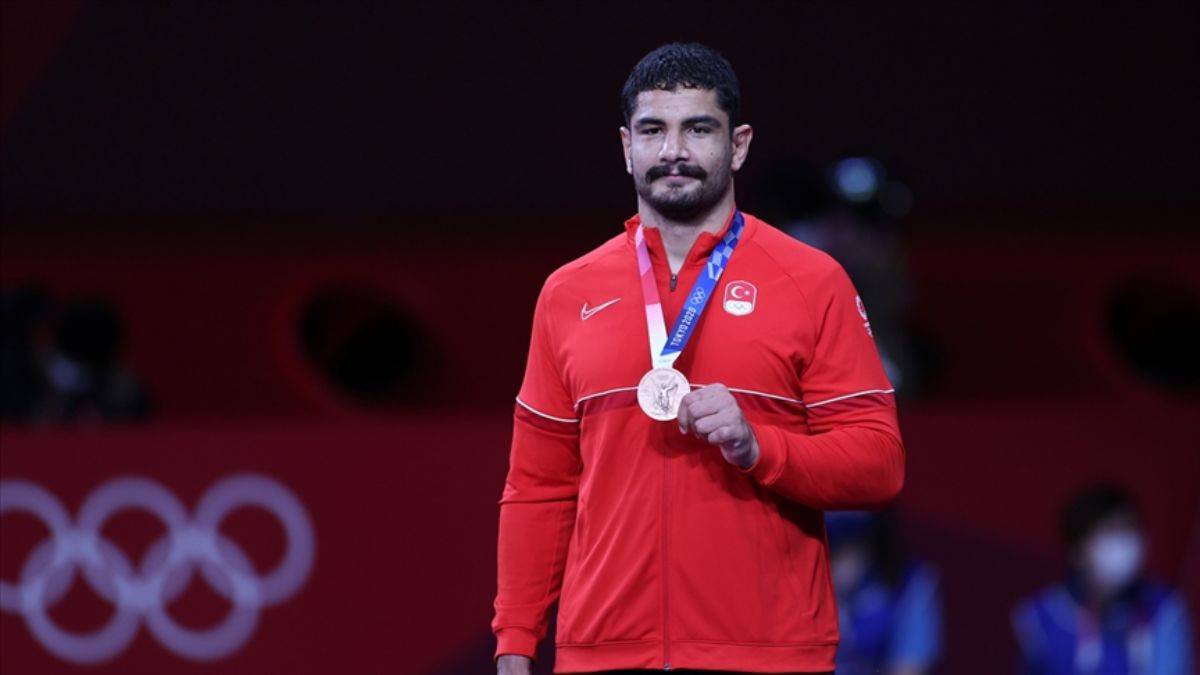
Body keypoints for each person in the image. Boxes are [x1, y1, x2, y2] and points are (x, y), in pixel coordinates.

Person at [493, 43, 905, 674]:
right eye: (652, 130)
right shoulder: (567, 293)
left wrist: (760, 446)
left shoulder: (811, 282)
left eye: (698, 129)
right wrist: (516, 642)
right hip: (606, 655)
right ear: (626, 146)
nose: (673, 151)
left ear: (738, 145)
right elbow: (537, 488)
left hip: (765, 656)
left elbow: (879, 464)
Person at [1011, 485, 1195, 674]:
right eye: (1110, 531)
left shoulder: (1162, 609)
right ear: (1077, 550)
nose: (1121, 544)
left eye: (1128, 529)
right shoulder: (1040, 617)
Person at [825, 511, 941, 675]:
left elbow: (909, 667)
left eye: (856, 538)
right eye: (835, 540)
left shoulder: (909, 581)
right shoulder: (801, 581)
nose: (846, 555)